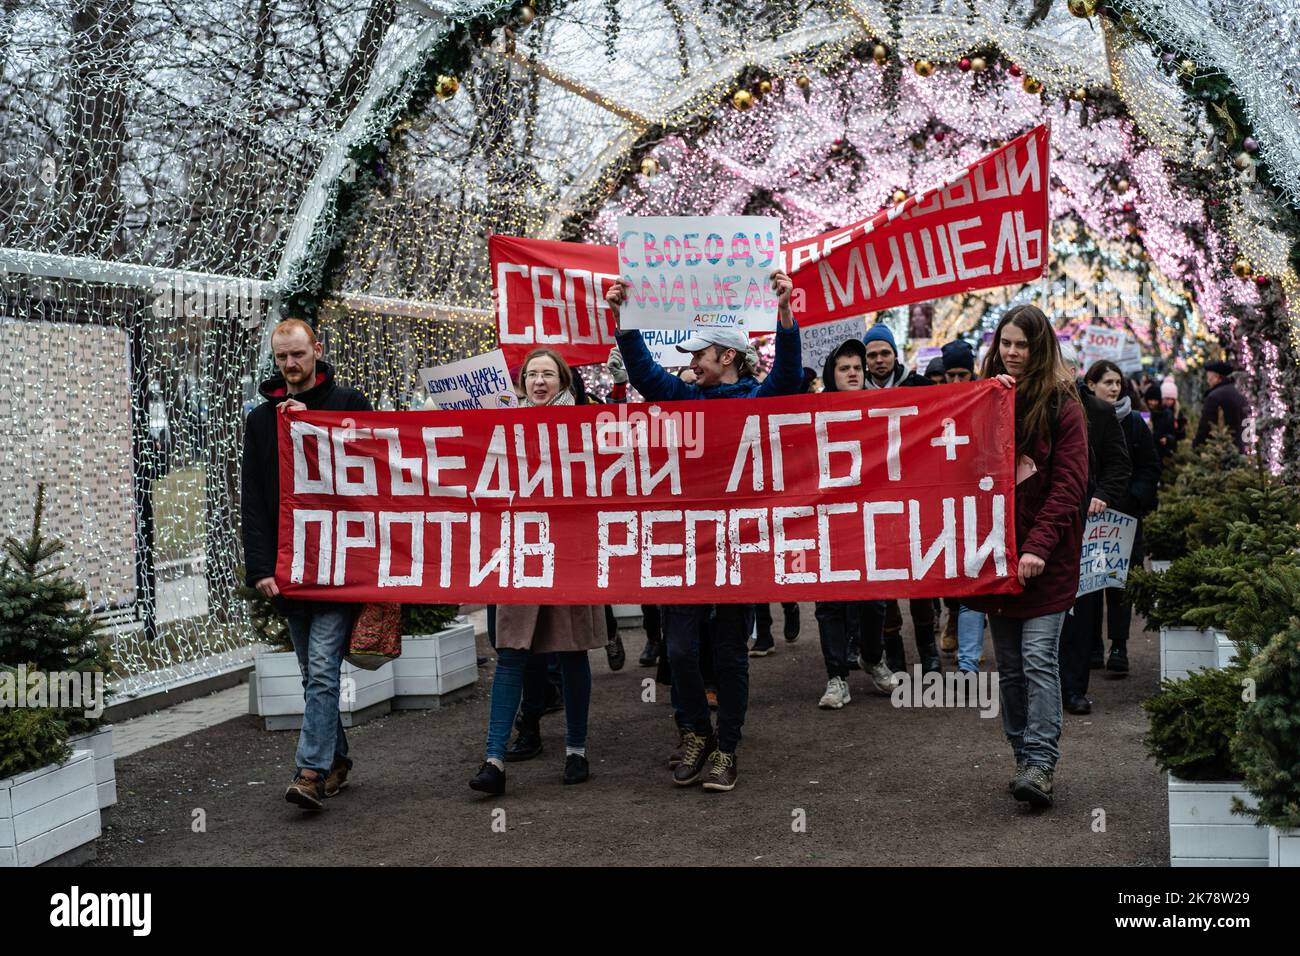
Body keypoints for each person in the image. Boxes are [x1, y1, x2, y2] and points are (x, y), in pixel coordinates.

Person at [605, 270, 802, 793]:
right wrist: (624, 319)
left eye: (700, 355)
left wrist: (784, 313)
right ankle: (696, 733)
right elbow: (646, 376)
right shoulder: (683, 399)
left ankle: (728, 748)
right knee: (683, 651)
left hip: (738, 548)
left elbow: (787, 378)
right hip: (686, 548)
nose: (690, 363)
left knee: (731, 653)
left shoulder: (757, 401)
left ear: (729, 358)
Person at [241, 318, 372, 811]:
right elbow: (252, 500)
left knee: (321, 671)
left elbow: (373, 470)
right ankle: (336, 760)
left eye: (298, 354)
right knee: (310, 673)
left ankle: (310, 773)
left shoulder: (349, 405)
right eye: (282, 358)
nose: (291, 365)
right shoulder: (260, 420)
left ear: (317, 349)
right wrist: (260, 568)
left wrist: (314, 428)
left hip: (339, 563)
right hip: (289, 567)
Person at [964, 305, 1090, 810]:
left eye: (1024, 345)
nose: (1014, 353)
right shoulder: (985, 396)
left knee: (1039, 659)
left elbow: (1069, 483)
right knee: (1011, 668)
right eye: (1007, 343)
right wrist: (986, 403)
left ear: (1041, 349)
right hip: (1000, 557)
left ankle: (1040, 762)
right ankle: (1023, 756)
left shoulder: (1064, 404)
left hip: (1049, 559)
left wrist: (1038, 546)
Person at [469, 348, 607, 796]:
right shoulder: (503, 425)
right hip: (521, 550)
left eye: (549, 373)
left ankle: (576, 750)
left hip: (570, 551)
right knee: (511, 651)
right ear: (522, 381)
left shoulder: (587, 426)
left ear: (564, 381)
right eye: (532, 374)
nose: (540, 381)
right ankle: (493, 759)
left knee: (571, 652)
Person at [814, 337, 897, 707]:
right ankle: (836, 678)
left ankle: (873, 658)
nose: (853, 373)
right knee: (830, 602)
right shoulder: (813, 413)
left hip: (870, 520)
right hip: (827, 522)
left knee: (874, 600)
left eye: (857, 368)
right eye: (844, 368)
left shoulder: (882, 408)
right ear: (832, 374)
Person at [861, 323, 942, 674]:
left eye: (884, 353)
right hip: (873, 499)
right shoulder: (851, 392)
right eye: (872, 355)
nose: (879, 360)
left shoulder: (920, 387)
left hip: (915, 497)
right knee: (884, 579)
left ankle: (930, 653)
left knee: (920, 577)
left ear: (896, 355)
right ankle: (893, 653)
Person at [1057, 341, 1132, 677]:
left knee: (1083, 602)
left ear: (1073, 371)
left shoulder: (1099, 411)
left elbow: (1119, 464)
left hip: (1087, 518)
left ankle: (1075, 684)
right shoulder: (1031, 405)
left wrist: (1102, 494)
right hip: (1046, 520)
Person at [1082, 360, 1160, 676]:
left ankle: (1119, 647)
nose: (1114, 388)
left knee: (1119, 584)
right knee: (1088, 584)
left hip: (1124, 519)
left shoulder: (1136, 424)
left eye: (1118, 383)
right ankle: (1091, 647)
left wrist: (1132, 498)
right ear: (1091, 385)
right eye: (1108, 382)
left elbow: (1149, 467)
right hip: (1088, 516)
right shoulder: (1082, 418)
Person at [1193, 360, 1249, 453]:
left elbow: (1206, 426)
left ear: (1217, 377)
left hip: (1221, 450)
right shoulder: (1240, 393)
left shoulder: (1214, 397)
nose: (1208, 381)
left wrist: (1197, 446)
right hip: (1241, 449)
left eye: (1209, 377)